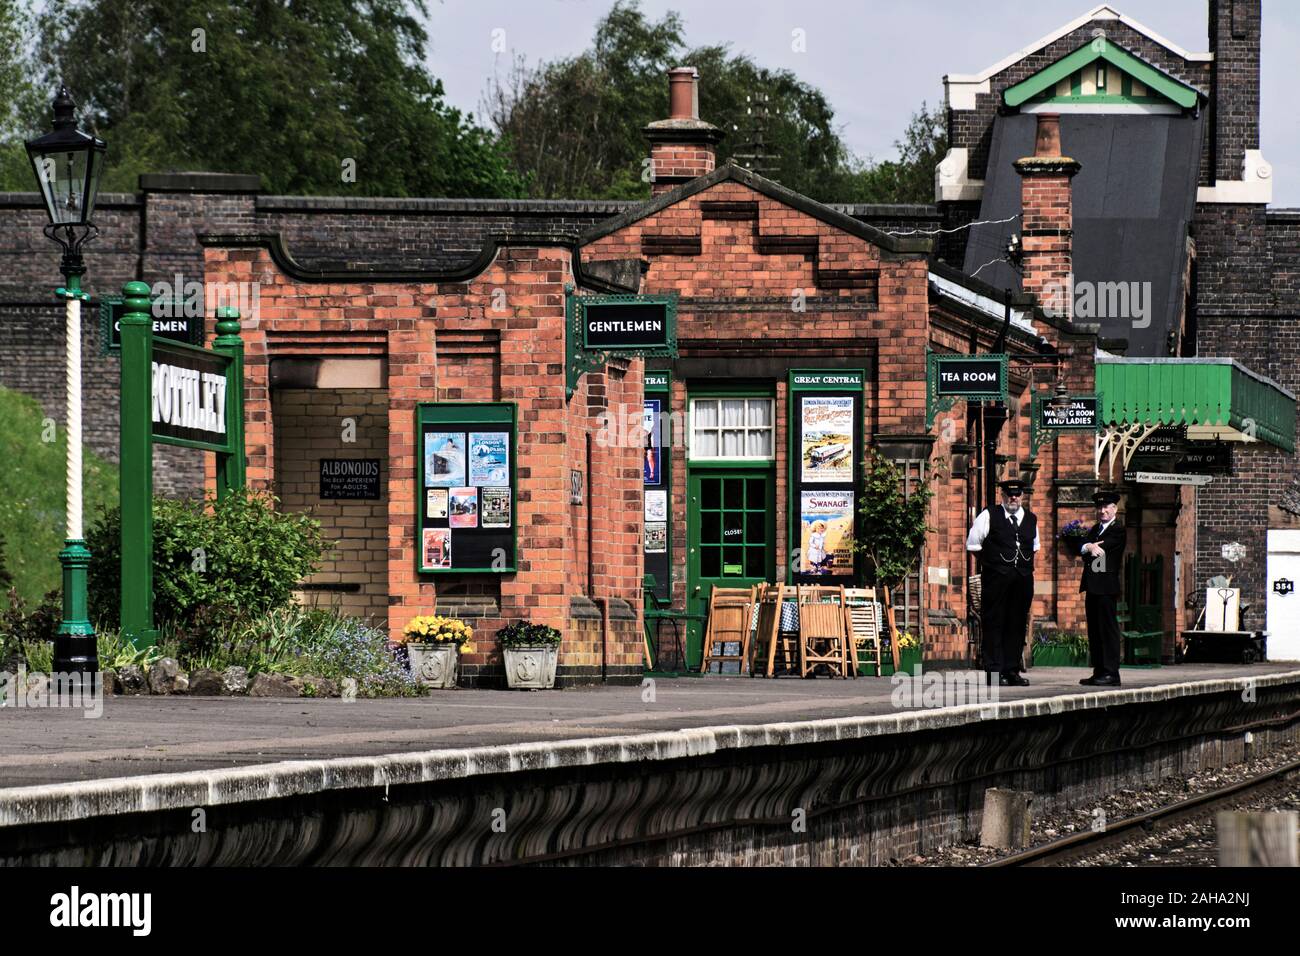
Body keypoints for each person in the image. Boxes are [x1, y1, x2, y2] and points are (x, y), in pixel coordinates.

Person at [966, 479, 1039, 686]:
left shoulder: (1031, 519)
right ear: (1003, 495)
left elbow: (1034, 547)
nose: (1013, 498)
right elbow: (973, 545)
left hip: (1023, 580)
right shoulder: (989, 515)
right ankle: (994, 672)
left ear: (1022, 496)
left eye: (1017, 494)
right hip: (996, 580)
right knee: (994, 623)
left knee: (1016, 624)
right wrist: (991, 564)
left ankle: (1012, 670)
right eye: (1009, 494)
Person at [1079, 490, 1127, 687]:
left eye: (1106, 507)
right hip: (1092, 586)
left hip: (1106, 587)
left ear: (1114, 509)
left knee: (1107, 631)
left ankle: (1111, 672)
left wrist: (1089, 547)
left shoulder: (1118, 530)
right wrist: (1089, 546)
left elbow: (1101, 551)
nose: (1102, 510)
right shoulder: (1095, 530)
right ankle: (1099, 671)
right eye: (1099, 507)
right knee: (1095, 631)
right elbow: (1083, 547)